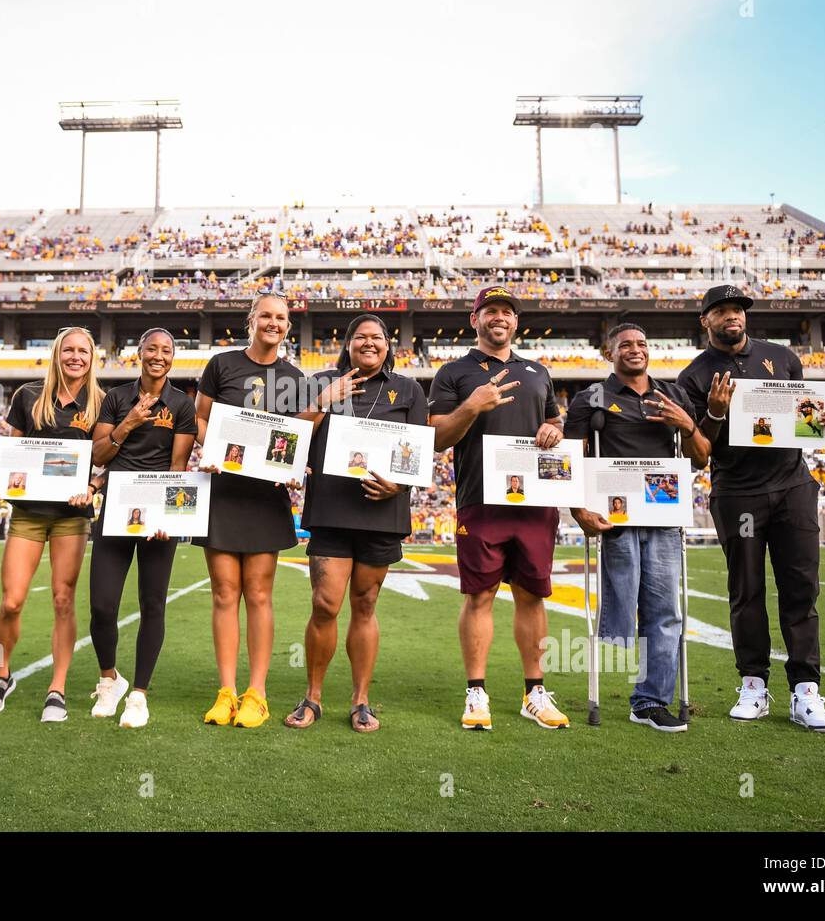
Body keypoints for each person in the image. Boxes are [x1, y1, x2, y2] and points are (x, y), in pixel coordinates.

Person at [677, 285, 825, 733]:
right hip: (738, 492)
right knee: (747, 590)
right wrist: (715, 412)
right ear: (705, 320)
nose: (732, 316)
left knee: (801, 587)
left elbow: (802, 420)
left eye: (737, 309)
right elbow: (697, 453)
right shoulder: (693, 376)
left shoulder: (782, 357)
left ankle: (806, 690)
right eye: (721, 310)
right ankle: (752, 683)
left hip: (792, 484)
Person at [428, 286, 568, 731]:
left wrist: (553, 429)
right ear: (475, 319)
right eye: (491, 310)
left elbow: (553, 421)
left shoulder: (537, 372)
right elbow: (437, 438)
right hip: (480, 499)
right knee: (480, 595)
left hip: (534, 502)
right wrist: (472, 406)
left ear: (516, 321)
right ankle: (476, 691)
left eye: (507, 311)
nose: (500, 317)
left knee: (532, 595)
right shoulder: (453, 372)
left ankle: (534, 692)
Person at [284, 313, 428, 733]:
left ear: (388, 346)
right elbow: (290, 438)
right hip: (331, 507)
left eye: (377, 337)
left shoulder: (409, 389)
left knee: (365, 605)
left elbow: (417, 453)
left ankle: (360, 700)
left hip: (381, 511)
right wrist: (323, 400)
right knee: (324, 604)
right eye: (360, 337)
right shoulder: (320, 382)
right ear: (347, 345)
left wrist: (399, 487)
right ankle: (313, 696)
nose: (369, 342)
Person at [565, 323, 712, 732]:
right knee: (622, 609)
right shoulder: (591, 398)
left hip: (663, 518)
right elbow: (572, 458)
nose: (636, 349)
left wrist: (687, 424)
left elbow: (701, 457)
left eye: (642, 343)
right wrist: (578, 511)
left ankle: (650, 702)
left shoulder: (674, 395)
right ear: (608, 353)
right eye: (625, 344)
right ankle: (633, 682)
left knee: (665, 612)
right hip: (615, 519)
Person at [0, 327, 104, 723]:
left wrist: (93, 486)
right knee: (11, 601)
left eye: (83, 351)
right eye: (69, 350)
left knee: (63, 600)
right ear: (56, 354)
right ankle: (1, 673)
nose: (75, 357)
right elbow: (11, 452)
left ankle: (57, 687)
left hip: (71, 517)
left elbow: (106, 460)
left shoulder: (102, 402)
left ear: (92, 358)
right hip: (29, 514)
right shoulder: (28, 395)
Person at [195, 293, 311, 728]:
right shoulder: (222, 365)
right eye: (266, 315)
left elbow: (295, 439)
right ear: (251, 320)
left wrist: (294, 468)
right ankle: (226, 691)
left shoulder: (295, 378)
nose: (273, 323)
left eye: (281, 317)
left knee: (259, 594)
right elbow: (200, 420)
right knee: (224, 593)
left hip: (265, 497)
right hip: (224, 490)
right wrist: (210, 449)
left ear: (287, 327)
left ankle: (257, 693)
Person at [87, 327, 197, 728]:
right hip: (116, 507)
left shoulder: (182, 404)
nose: (158, 355)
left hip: (158, 515)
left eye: (166, 350)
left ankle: (139, 694)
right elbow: (99, 455)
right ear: (139, 352)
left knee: (153, 603)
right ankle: (109, 679)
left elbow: (178, 466)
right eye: (152, 348)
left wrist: (168, 518)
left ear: (173, 357)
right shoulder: (116, 398)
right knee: (102, 605)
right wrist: (128, 423)